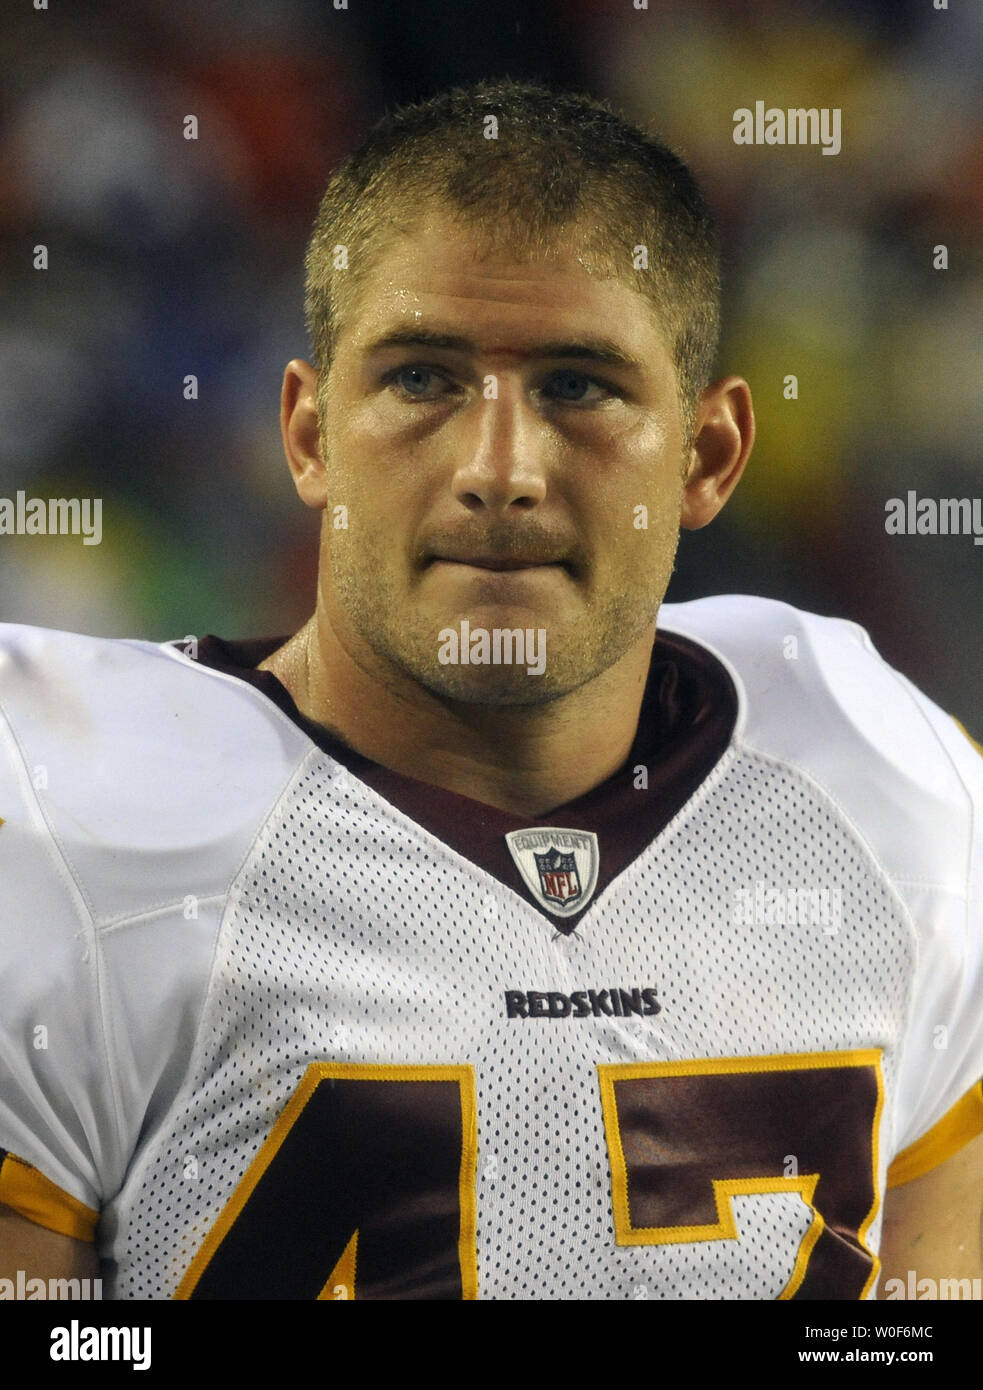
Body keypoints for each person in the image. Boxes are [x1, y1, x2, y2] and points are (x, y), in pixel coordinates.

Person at [1, 78, 980, 1302]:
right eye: (420, 378)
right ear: (308, 437)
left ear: (707, 457)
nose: (498, 470)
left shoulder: (886, 781)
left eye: (578, 385)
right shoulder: (53, 818)